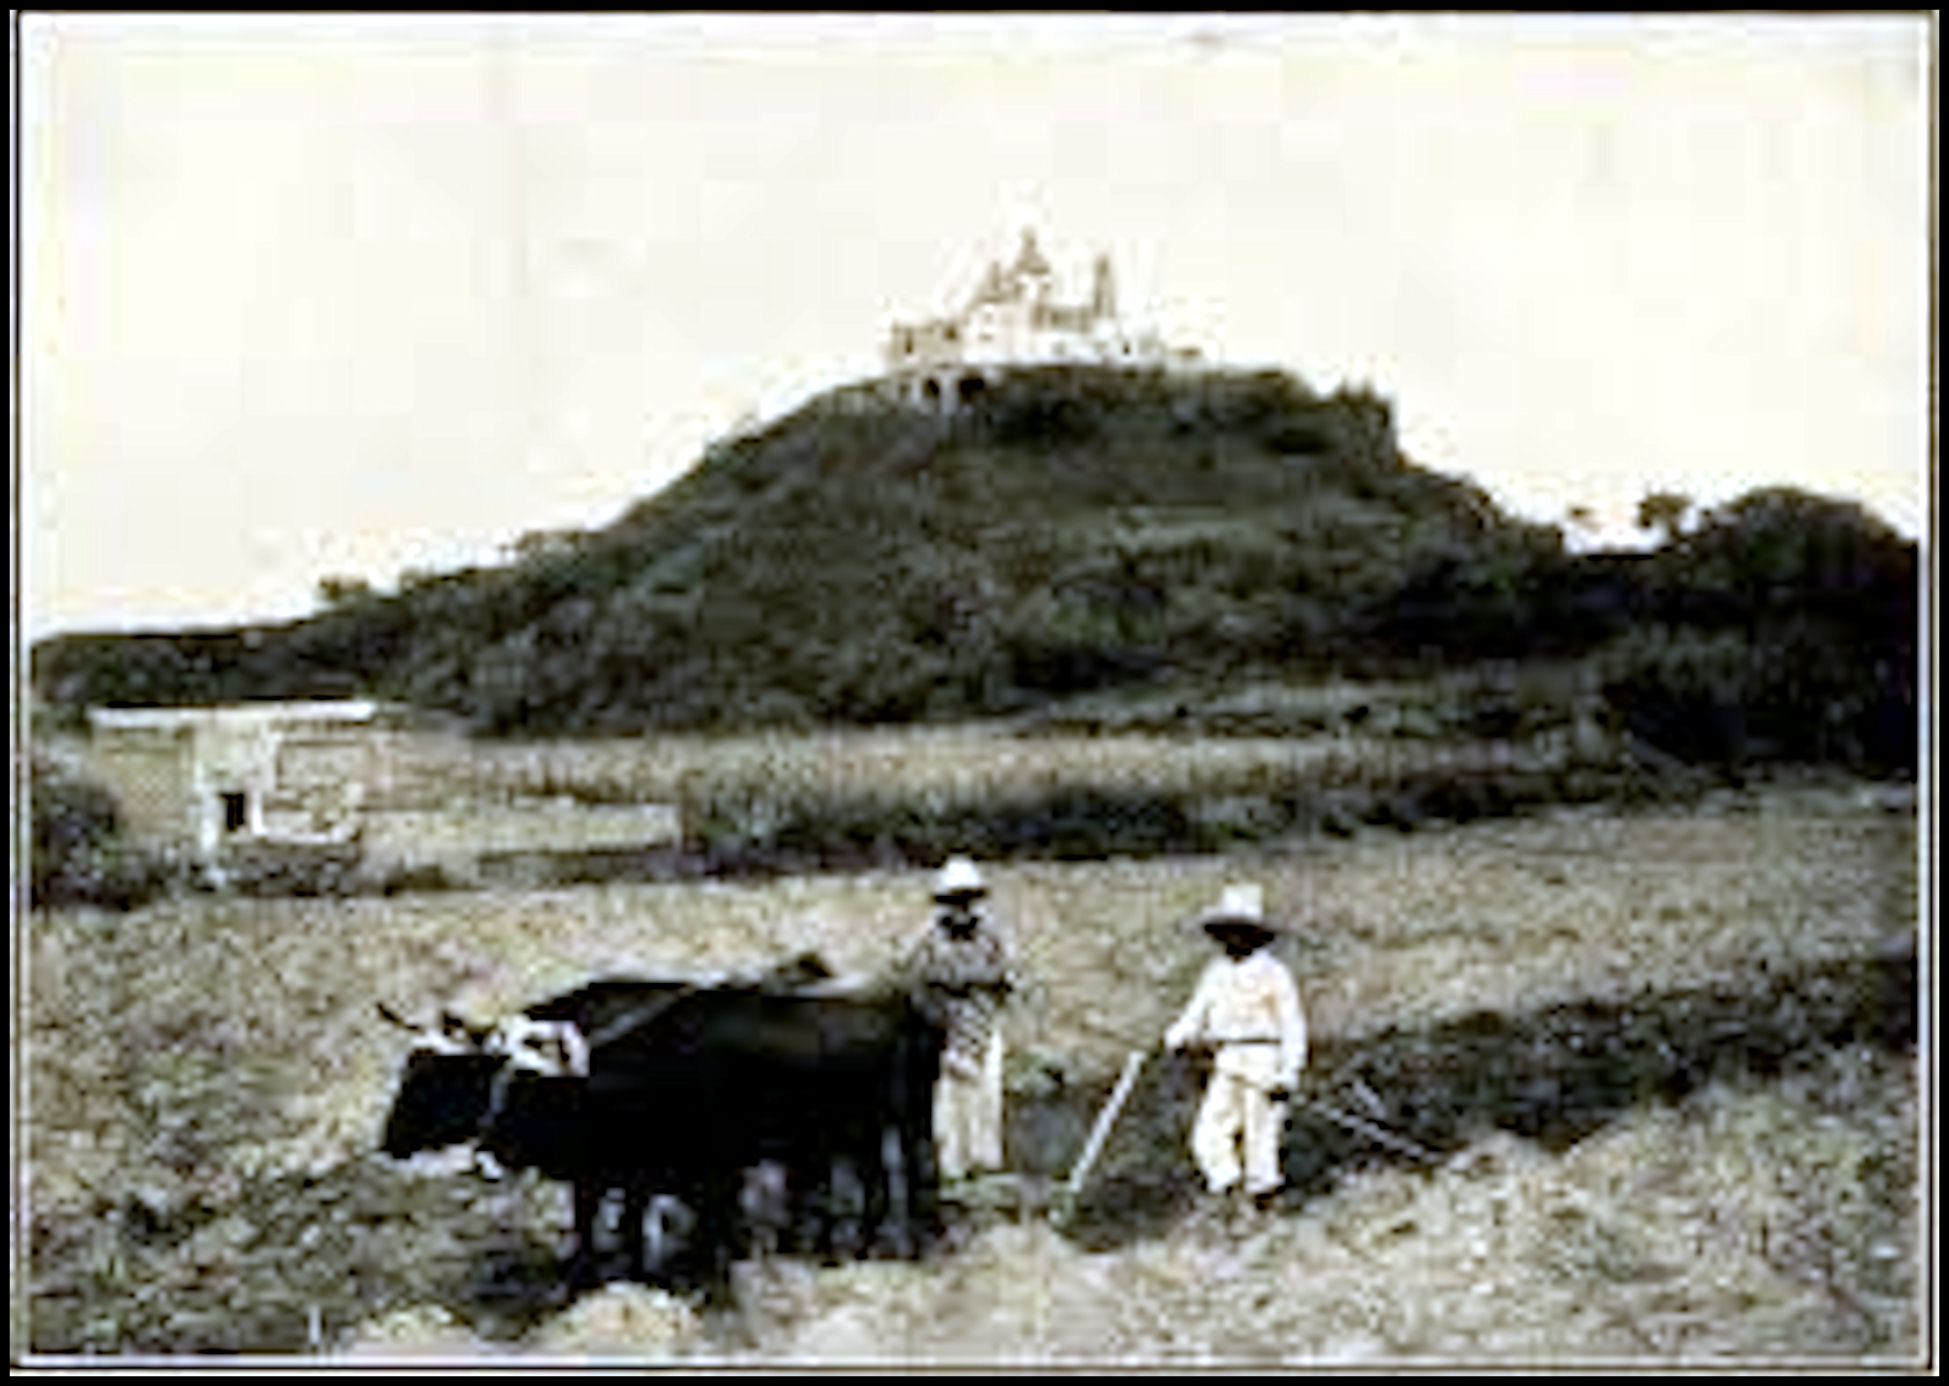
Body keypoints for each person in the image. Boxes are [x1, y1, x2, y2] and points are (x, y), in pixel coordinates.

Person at [1164, 883, 1308, 1225]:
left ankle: (1264, 1210)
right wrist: (1174, 1039)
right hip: (1227, 1061)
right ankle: (1228, 1191)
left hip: (1264, 1062)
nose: (1232, 940)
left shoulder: (1274, 973)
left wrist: (1287, 1075)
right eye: (1226, 933)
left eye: (1240, 932)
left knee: (1261, 1138)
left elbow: (1293, 1028)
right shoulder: (1215, 973)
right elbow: (1194, 1015)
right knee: (1207, 1134)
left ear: (1254, 935)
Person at [901, 855, 1016, 1184]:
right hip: (944, 1032)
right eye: (953, 901)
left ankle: (986, 1169)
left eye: (966, 900)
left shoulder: (993, 936)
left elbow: (1006, 978)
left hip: (983, 1027)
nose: (961, 909)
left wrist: (980, 993)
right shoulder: (927, 940)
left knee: (986, 1099)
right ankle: (952, 1172)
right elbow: (915, 981)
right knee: (949, 1106)